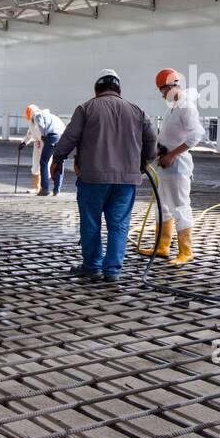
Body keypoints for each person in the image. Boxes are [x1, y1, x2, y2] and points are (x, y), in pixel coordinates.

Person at [51, 69, 156, 284]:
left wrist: (57, 159)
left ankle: (92, 267)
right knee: (119, 225)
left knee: (91, 223)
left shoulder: (86, 108)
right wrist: (142, 163)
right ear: (119, 89)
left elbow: (70, 137)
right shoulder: (137, 111)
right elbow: (152, 140)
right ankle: (112, 271)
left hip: (93, 179)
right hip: (126, 181)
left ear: (97, 90)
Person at [139, 68, 206, 266]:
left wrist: (172, 155)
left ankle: (186, 251)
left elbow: (196, 136)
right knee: (164, 206)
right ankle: (162, 246)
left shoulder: (187, 108)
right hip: (165, 164)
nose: (162, 96)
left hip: (178, 165)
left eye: (162, 91)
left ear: (170, 86)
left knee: (180, 206)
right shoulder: (173, 108)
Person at [26, 103, 65, 196]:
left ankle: (45, 189)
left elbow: (41, 126)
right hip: (62, 136)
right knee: (58, 161)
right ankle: (56, 189)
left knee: (43, 162)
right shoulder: (51, 116)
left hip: (52, 136)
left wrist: (43, 136)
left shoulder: (37, 115)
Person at [20, 110, 43, 194]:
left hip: (45, 143)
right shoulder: (31, 123)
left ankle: (44, 187)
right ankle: (36, 187)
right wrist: (24, 142)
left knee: (45, 164)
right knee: (35, 165)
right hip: (37, 144)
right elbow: (29, 134)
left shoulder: (43, 120)